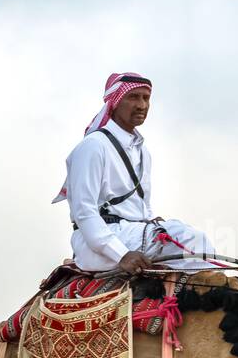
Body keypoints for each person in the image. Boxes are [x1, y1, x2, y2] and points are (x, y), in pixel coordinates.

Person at [52, 72, 217, 275]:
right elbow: (84, 212)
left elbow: (142, 207)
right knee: (193, 240)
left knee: (185, 235)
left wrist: (152, 221)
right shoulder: (93, 146)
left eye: (146, 98)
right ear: (115, 102)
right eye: (133, 97)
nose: (142, 105)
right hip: (101, 241)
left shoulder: (143, 151)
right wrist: (121, 254)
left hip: (134, 235)